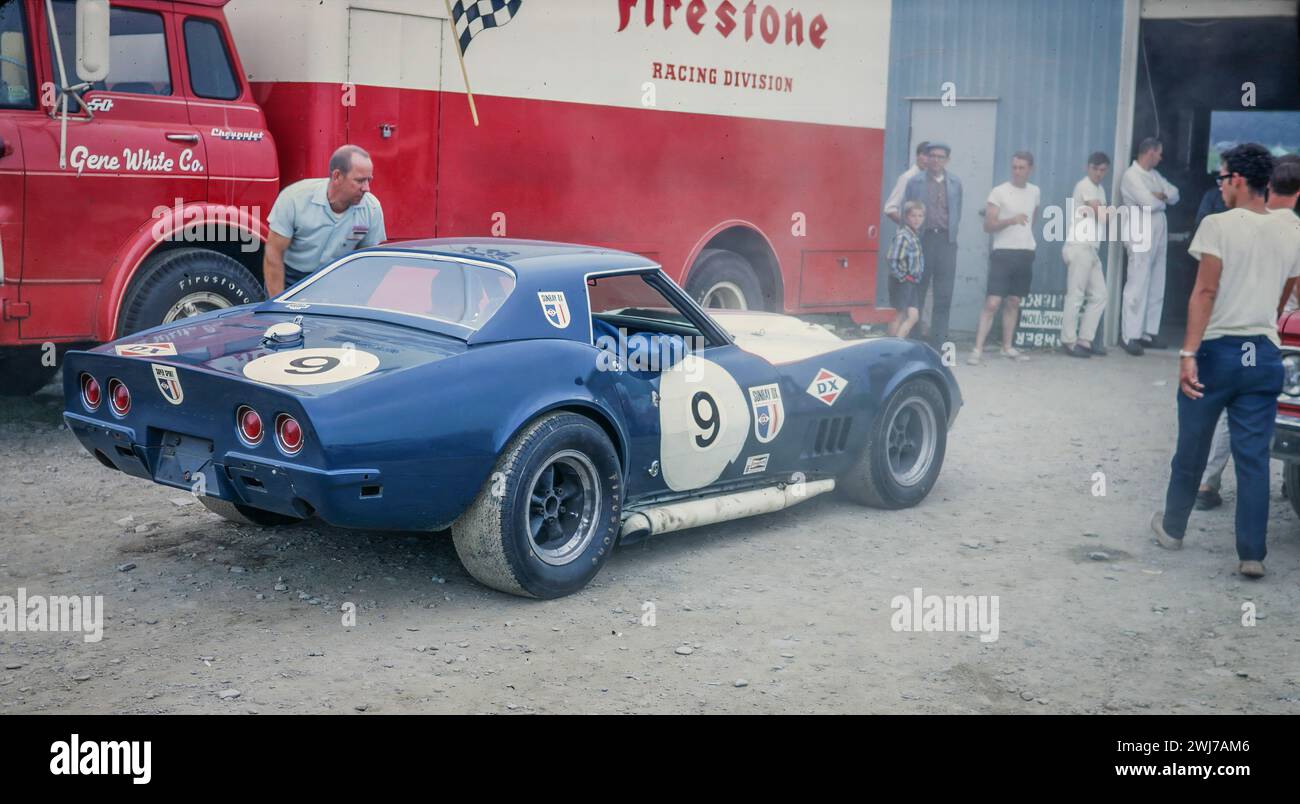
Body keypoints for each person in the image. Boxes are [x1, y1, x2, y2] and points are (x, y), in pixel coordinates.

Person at [1150, 144, 1300, 579]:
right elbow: (1287, 291)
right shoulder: (1291, 231)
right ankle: (1251, 554)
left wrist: (1187, 353)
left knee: (1193, 445)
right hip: (1263, 352)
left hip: (1218, 351)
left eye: (1222, 178)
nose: (1220, 186)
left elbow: (1204, 293)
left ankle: (1173, 529)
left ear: (1236, 180)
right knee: (1252, 457)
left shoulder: (1216, 225)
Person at [1196, 155, 1300, 511]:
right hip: (1267, 332)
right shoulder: (1292, 231)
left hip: (1241, 328)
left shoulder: (1247, 223)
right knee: (1245, 408)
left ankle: (1209, 480)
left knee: (1236, 405)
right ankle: (1208, 481)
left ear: (1269, 186)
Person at [264, 144, 387, 295]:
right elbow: (273, 253)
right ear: (337, 176)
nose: (366, 188)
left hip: (336, 281)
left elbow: (368, 263)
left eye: (369, 180)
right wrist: (276, 304)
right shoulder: (294, 199)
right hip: (290, 278)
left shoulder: (372, 209)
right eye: (360, 181)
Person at [968, 152, 1039, 364]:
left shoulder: (1035, 191)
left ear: (1030, 169)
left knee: (1014, 301)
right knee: (992, 302)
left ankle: (1007, 347)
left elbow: (1033, 219)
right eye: (1014, 167)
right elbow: (988, 226)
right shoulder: (999, 192)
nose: (1017, 172)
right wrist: (1011, 221)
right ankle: (977, 349)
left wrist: (1023, 235)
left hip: (1025, 251)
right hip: (1003, 251)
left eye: (1021, 168)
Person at [1119, 137, 1180, 355]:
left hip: (1158, 229)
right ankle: (1129, 335)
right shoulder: (1131, 175)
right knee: (1138, 282)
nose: (1161, 157)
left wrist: (1160, 196)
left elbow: (1175, 194)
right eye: (1159, 153)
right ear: (1149, 152)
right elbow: (1148, 203)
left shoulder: (1154, 175)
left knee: (1156, 281)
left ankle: (1147, 332)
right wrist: (1159, 198)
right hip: (1140, 231)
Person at [902, 143, 963, 349]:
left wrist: (950, 236)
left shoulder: (955, 182)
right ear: (926, 158)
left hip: (946, 242)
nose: (936, 160)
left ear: (947, 160)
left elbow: (957, 212)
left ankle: (938, 345)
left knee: (943, 295)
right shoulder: (915, 182)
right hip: (922, 241)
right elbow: (907, 213)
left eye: (941, 156)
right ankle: (915, 343)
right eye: (933, 156)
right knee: (917, 292)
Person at [1059, 152, 1111, 358]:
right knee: (1076, 294)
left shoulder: (1100, 189)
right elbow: (1103, 216)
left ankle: (1085, 340)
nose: (1098, 173)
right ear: (1088, 167)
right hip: (1079, 246)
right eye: (1095, 169)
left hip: (1091, 248)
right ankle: (1069, 341)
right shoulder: (1085, 186)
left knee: (1100, 295)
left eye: (1102, 170)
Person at [886, 201, 926, 339]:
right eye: (913, 216)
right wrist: (903, 277)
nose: (917, 219)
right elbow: (893, 260)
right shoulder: (903, 236)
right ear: (906, 217)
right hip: (901, 281)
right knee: (899, 314)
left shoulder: (914, 235)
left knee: (913, 316)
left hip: (911, 281)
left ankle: (898, 342)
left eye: (920, 216)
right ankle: (890, 346)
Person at [884, 142, 930, 225]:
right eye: (925, 155)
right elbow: (889, 209)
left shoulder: (930, 179)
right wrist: (908, 227)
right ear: (917, 156)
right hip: (910, 235)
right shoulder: (908, 177)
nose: (927, 160)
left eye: (930, 156)